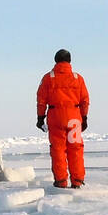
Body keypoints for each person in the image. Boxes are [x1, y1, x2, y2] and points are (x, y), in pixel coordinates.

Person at [36, 49, 90, 188]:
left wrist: (40, 117)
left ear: (56, 60)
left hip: (56, 118)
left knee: (58, 149)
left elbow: (41, 100)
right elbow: (85, 100)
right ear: (70, 61)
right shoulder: (78, 78)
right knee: (76, 149)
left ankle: (61, 181)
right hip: (74, 118)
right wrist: (84, 117)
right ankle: (77, 181)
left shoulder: (48, 78)